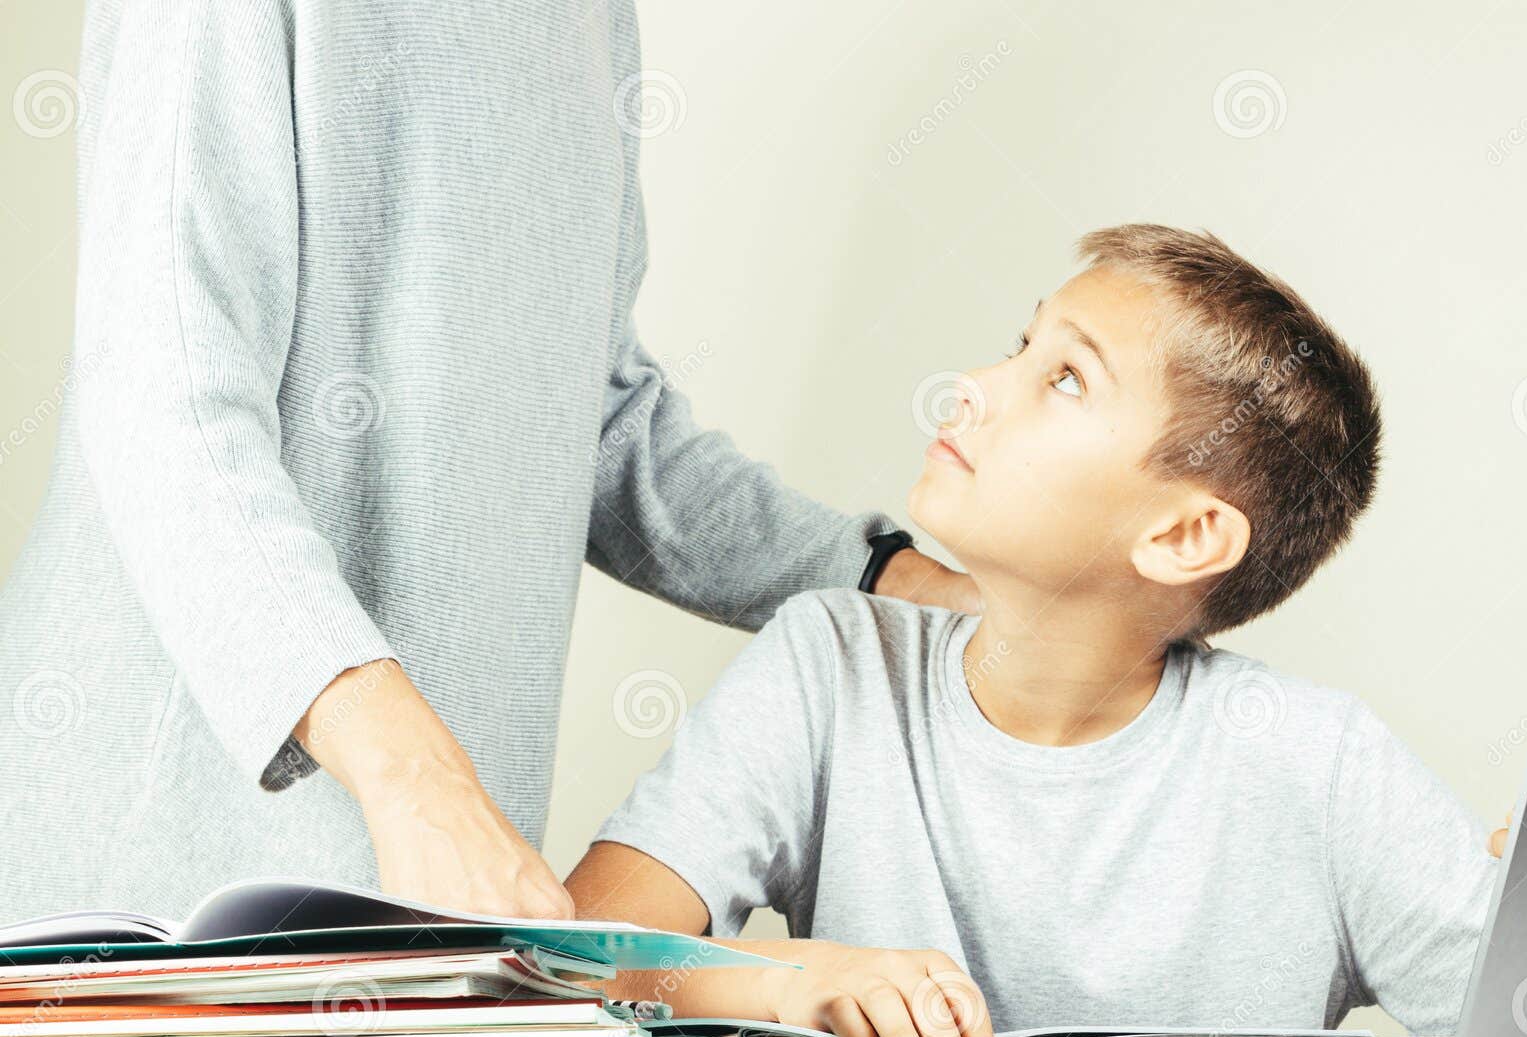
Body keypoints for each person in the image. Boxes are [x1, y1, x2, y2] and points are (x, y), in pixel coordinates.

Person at [0, 1, 973, 925]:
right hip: (144, 881)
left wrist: (897, 585)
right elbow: (163, 395)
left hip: (417, 901)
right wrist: (415, 778)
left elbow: (596, 420)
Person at [566, 224, 1509, 1037]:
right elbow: (571, 960)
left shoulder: (1322, 764)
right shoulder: (831, 665)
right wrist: (788, 982)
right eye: (1020, 345)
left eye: (1065, 377)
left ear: (1183, 535)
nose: (973, 385)